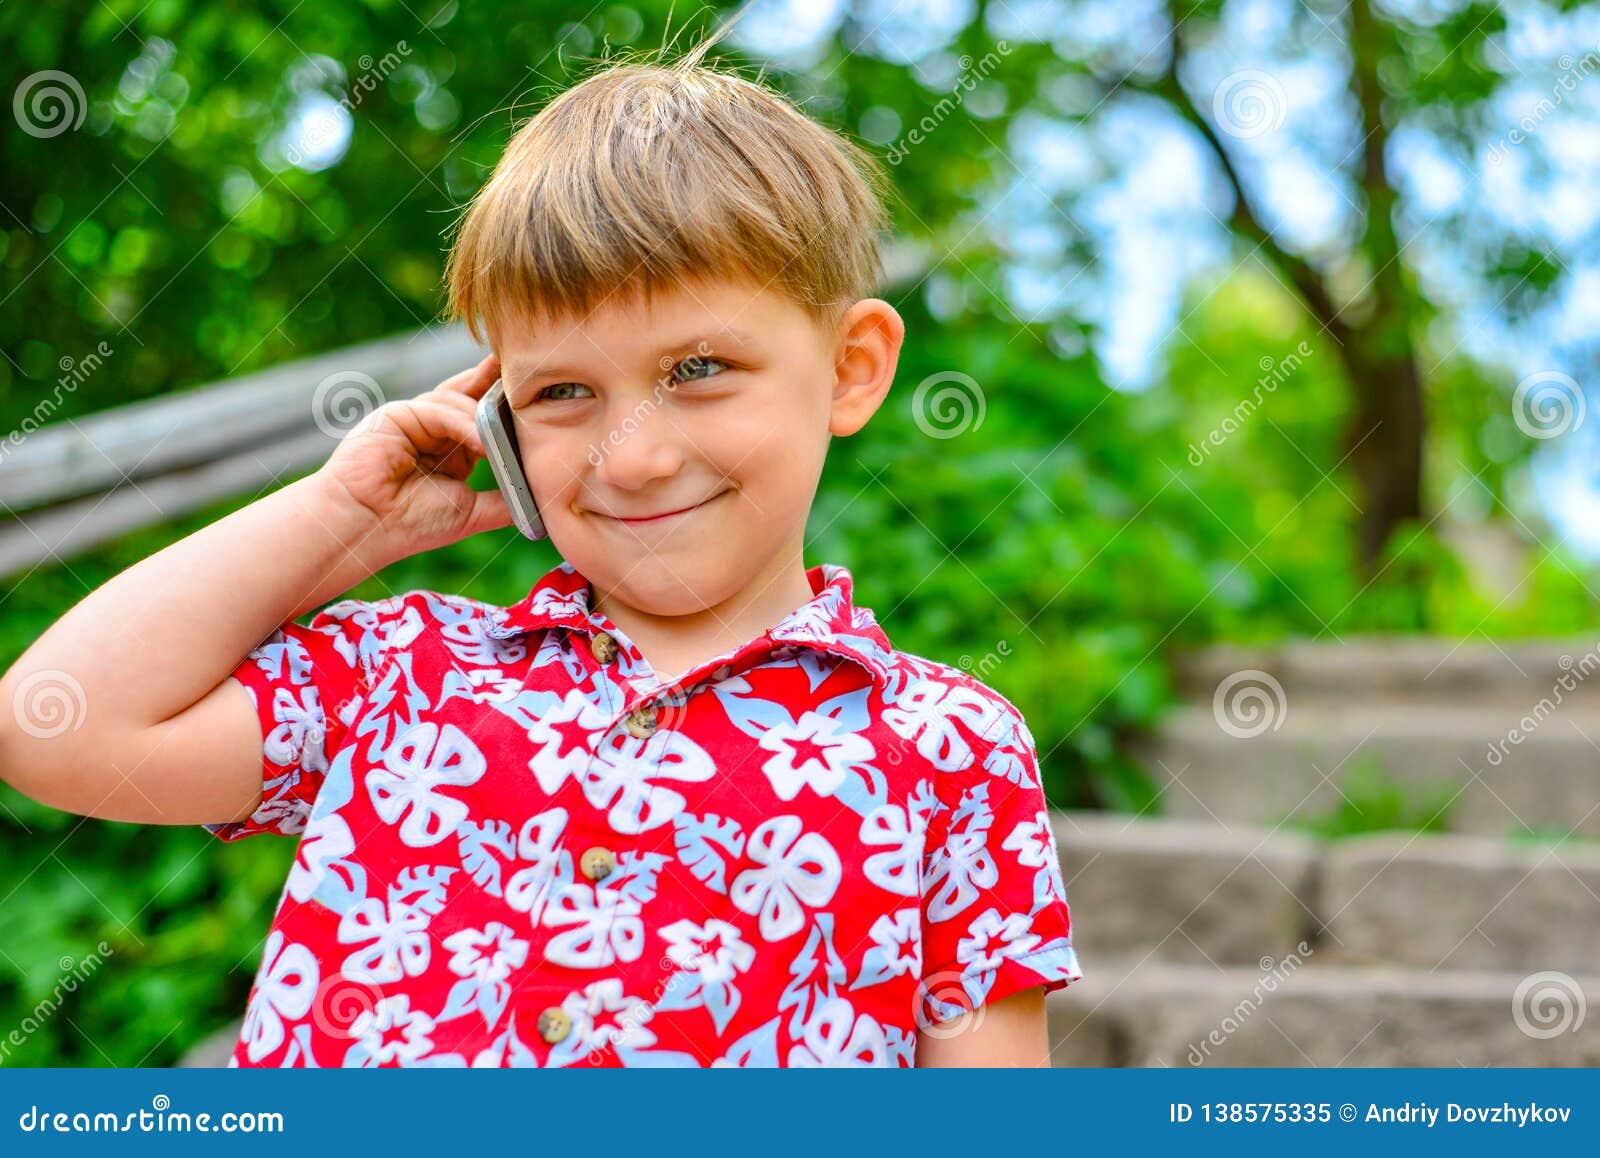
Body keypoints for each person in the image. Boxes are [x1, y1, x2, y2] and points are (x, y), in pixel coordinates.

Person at [0, 37, 1081, 1068]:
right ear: (499, 413)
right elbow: (56, 725)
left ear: (850, 368)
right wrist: (340, 521)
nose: (635, 456)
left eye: (698, 368)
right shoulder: (403, 676)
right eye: (562, 392)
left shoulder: (951, 752)